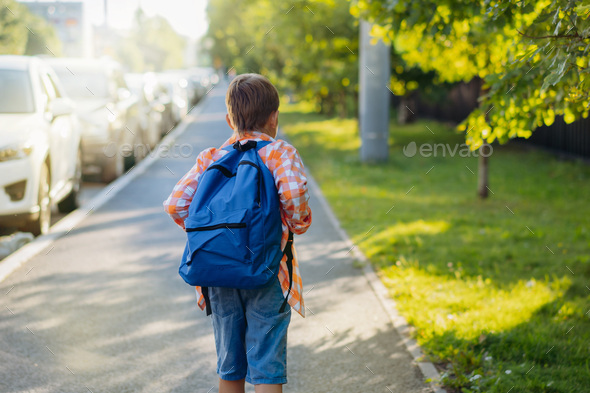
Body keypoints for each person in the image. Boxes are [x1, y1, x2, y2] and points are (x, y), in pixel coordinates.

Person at [163, 73, 312, 393]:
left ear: (229, 118)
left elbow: (176, 205)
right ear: (274, 118)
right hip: (267, 270)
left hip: (218, 273)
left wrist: (208, 234)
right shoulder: (279, 153)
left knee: (229, 363)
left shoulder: (211, 158)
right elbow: (295, 200)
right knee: (266, 362)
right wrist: (297, 224)